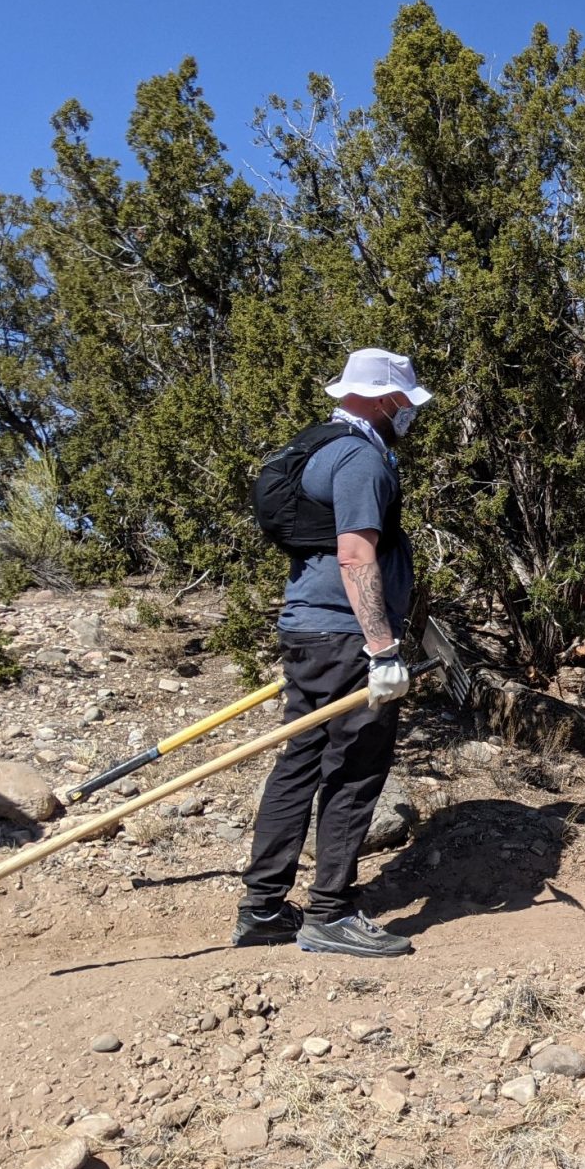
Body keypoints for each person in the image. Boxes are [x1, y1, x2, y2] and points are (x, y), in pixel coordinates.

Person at [235, 348, 429, 958]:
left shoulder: (319, 446)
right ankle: (330, 914)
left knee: (300, 761)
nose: (410, 416)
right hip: (346, 636)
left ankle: (264, 908)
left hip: (309, 630)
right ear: (386, 399)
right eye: (406, 404)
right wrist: (383, 649)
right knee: (357, 766)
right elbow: (355, 554)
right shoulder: (360, 458)